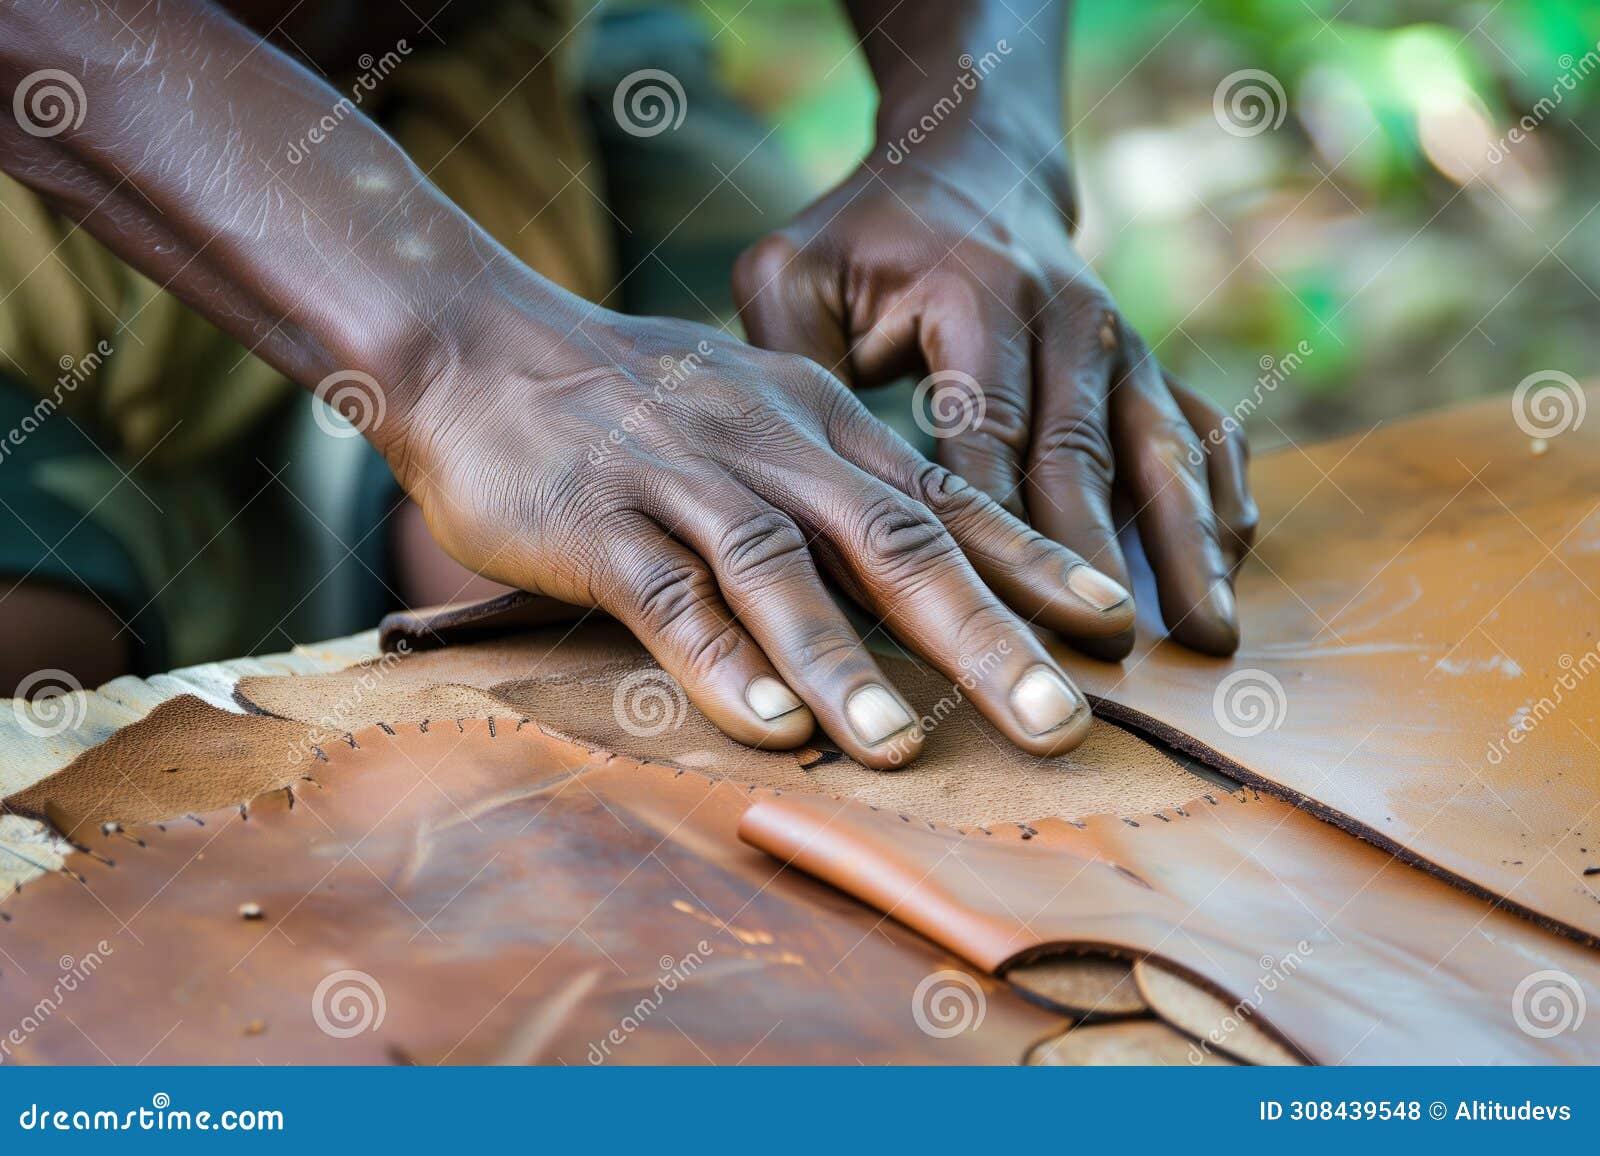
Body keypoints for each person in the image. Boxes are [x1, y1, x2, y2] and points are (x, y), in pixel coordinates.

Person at [0, 0, 1255, 770]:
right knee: (40, 672)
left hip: (493, 47)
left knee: (803, 543)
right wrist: (457, 351)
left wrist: (985, 151)